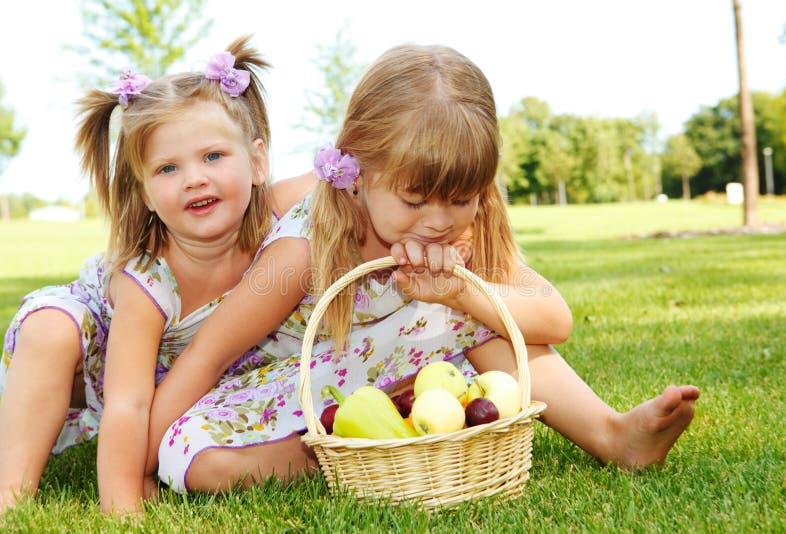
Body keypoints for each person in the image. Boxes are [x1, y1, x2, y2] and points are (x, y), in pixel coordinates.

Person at [146, 44, 699, 496]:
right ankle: (360, 454)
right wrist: (139, 465)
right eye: (414, 202)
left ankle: (612, 433)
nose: (438, 221)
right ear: (357, 171)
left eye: (461, 198)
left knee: (481, 311)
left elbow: (554, 318)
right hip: (284, 386)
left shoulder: (459, 225)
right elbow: (210, 354)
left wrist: (458, 293)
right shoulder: (304, 246)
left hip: (397, 371)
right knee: (199, 465)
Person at [0, 36, 315, 515]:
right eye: (168, 168)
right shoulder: (148, 279)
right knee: (50, 332)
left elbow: (354, 177)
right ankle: (9, 492)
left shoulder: (279, 212)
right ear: (145, 194)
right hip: (101, 354)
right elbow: (127, 403)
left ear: (258, 161)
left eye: (213, 156)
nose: (195, 178)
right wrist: (124, 501)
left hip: (198, 378)